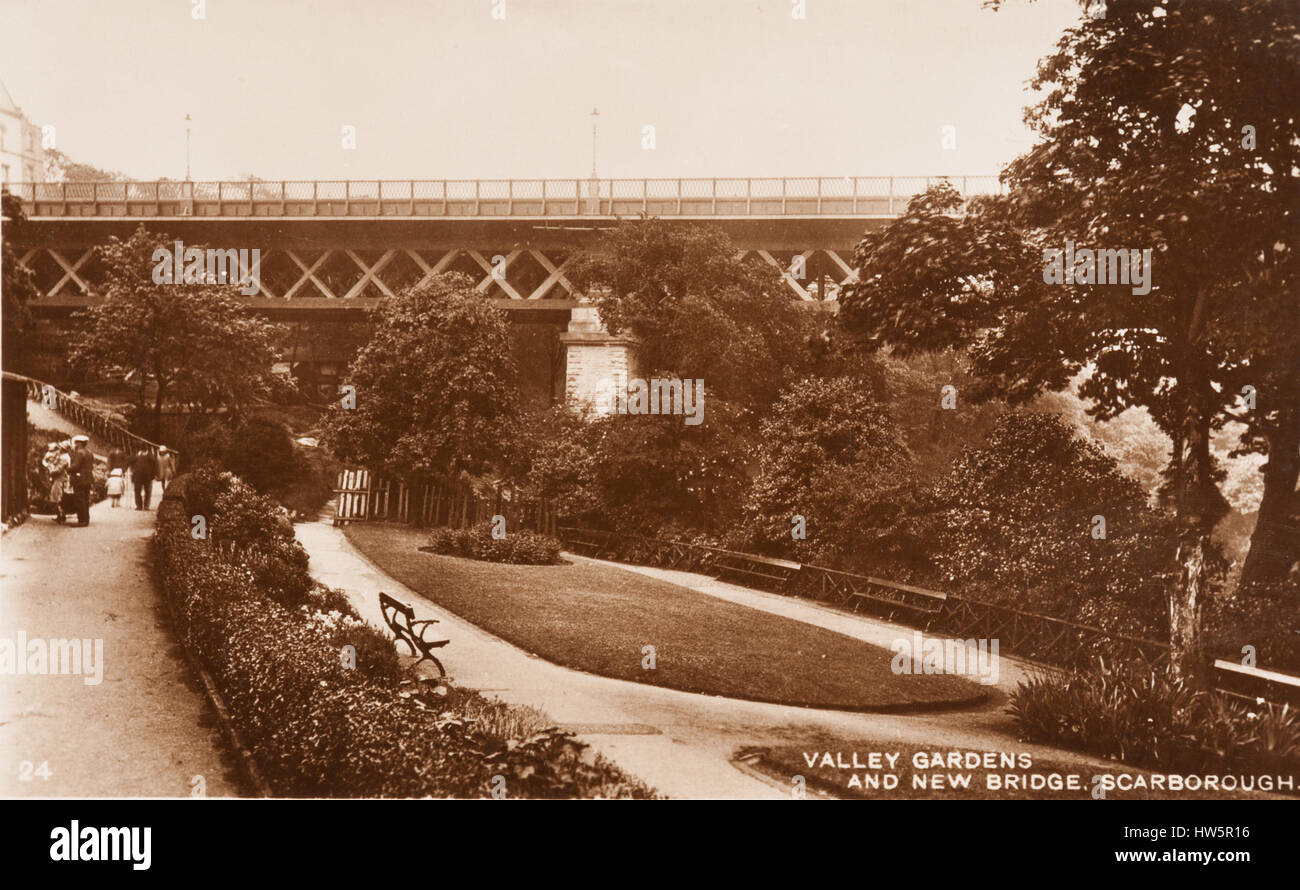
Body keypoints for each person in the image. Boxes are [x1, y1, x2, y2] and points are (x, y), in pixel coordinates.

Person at [68, 435, 95, 527]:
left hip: (79, 480)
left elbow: (76, 467)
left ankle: (81, 521)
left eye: (76, 443)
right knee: (86, 499)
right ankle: (86, 519)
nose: (75, 445)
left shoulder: (79, 453)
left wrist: (67, 469)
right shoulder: (89, 452)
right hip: (88, 479)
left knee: (79, 500)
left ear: (79, 443)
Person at [42, 442, 70, 523]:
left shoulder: (64, 458)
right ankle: (60, 515)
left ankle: (61, 515)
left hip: (60, 479)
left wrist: (50, 469)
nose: (58, 449)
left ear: (63, 449)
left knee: (56, 497)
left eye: (60, 448)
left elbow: (58, 470)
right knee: (58, 497)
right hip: (59, 479)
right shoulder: (62, 457)